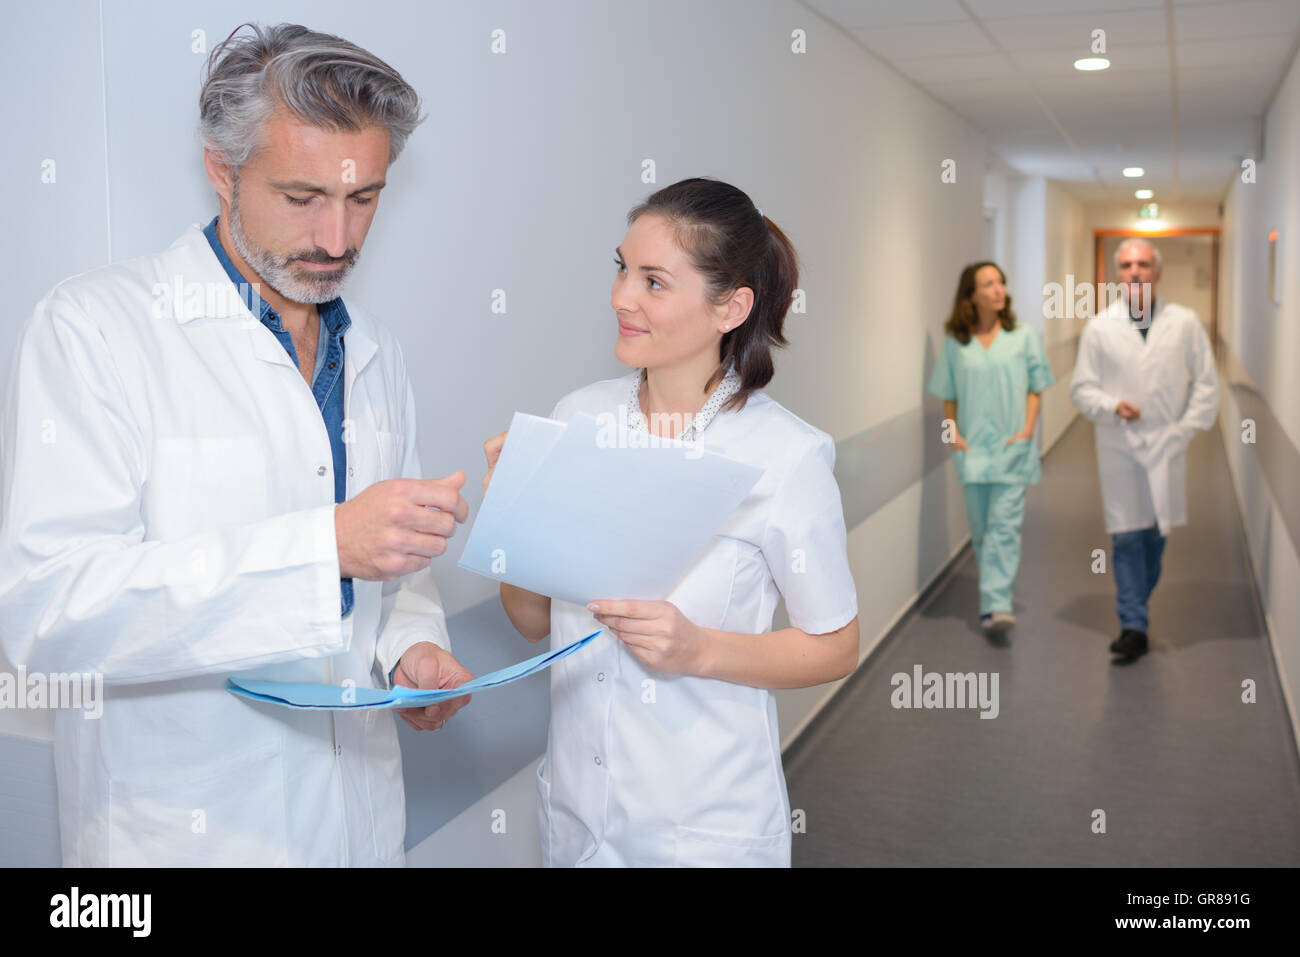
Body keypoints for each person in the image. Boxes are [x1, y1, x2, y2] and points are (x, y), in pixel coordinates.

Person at [0, 23, 474, 866]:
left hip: (362, 827)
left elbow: (394, 567)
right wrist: (320, 545)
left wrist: (412, 647)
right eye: (302, 198)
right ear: (222, 171)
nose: (338, 239)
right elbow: (46, 614)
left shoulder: (375, 351)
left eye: (364, 196)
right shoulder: (97, 331)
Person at [480, 178, 860, 867]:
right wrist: (514, 515)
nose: (623, 296)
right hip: (576, 810)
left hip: (704, 822)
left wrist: (699, 651)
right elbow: (532, 620)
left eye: (654, 281)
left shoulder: (786, 456)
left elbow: (834, 645)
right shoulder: (578, 417)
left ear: (731, 307)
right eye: (622, 269)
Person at [1069, 237, 1219, 662]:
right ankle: (1133, 623)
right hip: (1119, 444)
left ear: (1157, 272)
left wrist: (1186, 428)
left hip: (1167, 443)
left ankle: (1139, 603)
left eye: (1143, 264)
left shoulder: (1184, 322)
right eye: (1127, 265)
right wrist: (1112, 406)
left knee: (1155, 536)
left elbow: (1207, 383)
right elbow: (1081, 389)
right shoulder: (1100, 327)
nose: (1135, 272)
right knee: (1127, 536)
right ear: (1118, 274)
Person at [927, 262, 1053, 636]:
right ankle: (992, 599)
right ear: (971, 295)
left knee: (1004, 527)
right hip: (972, 451)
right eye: (988, 284)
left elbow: (1036, 385)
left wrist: (1029, 428)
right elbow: (948, 396)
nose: (998, 289)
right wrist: (952, 433)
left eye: (1000, 282)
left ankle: (997, 604)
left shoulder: (1023, 336)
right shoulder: (956, 343)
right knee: (981, 530)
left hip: (1012, 445)